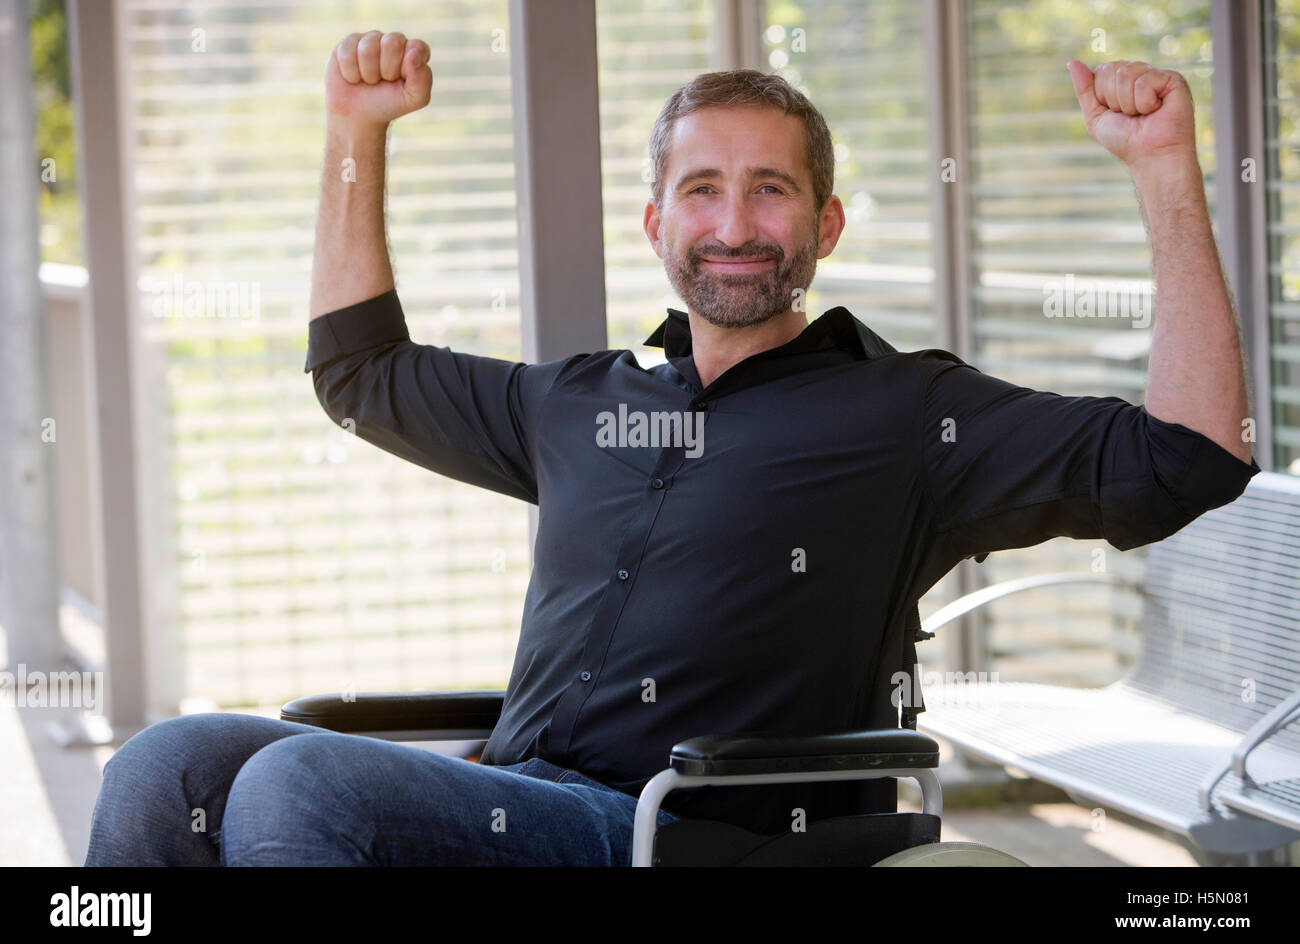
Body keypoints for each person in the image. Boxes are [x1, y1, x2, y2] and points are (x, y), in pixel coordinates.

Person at [86, 34, 1259, 866]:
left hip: (683, 827)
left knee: (300, 777)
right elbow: (361, 376)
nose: (735, 224)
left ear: (824, 225)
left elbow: (1192, 454)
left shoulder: (909, 416)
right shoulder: (581, 400)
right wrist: (353, 133)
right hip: (510, 797)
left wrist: (1164, 172)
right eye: (701, 189)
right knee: (165, 762)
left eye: (769, 190)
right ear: (656, 225)